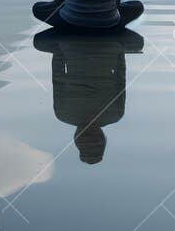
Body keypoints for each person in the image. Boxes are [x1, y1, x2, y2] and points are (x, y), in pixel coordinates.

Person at [33, 27, 144, 164]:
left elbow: (120, 76)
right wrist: (61, 47)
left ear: (102, 137)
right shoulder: (63, 114)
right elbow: (58, 74)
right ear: (77, 138)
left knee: (139, 43)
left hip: (110, 42)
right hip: (70, 42)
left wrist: (118, 48)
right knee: (38, 42)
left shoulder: (115, 115)